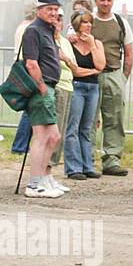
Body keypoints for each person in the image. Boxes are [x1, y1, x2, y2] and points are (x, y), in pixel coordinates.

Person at [20, 0, 69, 198]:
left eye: (56, 9)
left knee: (54, 136)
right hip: (41, 88)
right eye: (49, 9)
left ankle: (43, 179)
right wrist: (41, 87)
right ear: (39, 9)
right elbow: (31, 62)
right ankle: (33, 185)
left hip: (49, 87)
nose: (54, 12)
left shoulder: (47, 30)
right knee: (41, 136)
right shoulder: (32, 31)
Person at [91, 0, 133, 176]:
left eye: (109, 0)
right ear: (96, 1)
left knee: (115, 119)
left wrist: (123, 77)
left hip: (114, 74)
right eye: (102, 0)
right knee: (89, 120)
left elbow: (129, 52)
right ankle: (87, 159)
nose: (105, 3)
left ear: (113, 1)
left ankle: (112, 160)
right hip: (91, 76)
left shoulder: (121, 22)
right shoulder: (88, 20)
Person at [64, 11, 106, 181]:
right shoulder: (69, 43)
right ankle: (73, 167)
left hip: (93, 87)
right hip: (76, 86)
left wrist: (93, 46)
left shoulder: (96, 43)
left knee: (86, 128)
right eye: (84, 22)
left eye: (90, 22)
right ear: (76, 25)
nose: (88, 25)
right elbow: (73, 68)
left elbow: (101, 65)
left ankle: (87, 166)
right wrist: (90, 71)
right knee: (72, 127)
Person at [49, 11, 76, 168]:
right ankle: (46, 167)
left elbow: (73, 64)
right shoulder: (47, 40)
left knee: (61, 132)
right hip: (56, 86)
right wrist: (64, 59)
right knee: (54, 131)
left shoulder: (64, 42)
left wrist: (66, 59)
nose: (56, 22)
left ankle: (50, 168)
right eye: (54, 19)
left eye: (59, 19)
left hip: (68, 86)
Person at [9, 4, 36, 156]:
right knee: (29, 109)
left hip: (21, 65)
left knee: (29, 109)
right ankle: (20, 145)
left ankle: (21, 145)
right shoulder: (30, 28)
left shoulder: (21, 26)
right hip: (26, 66)